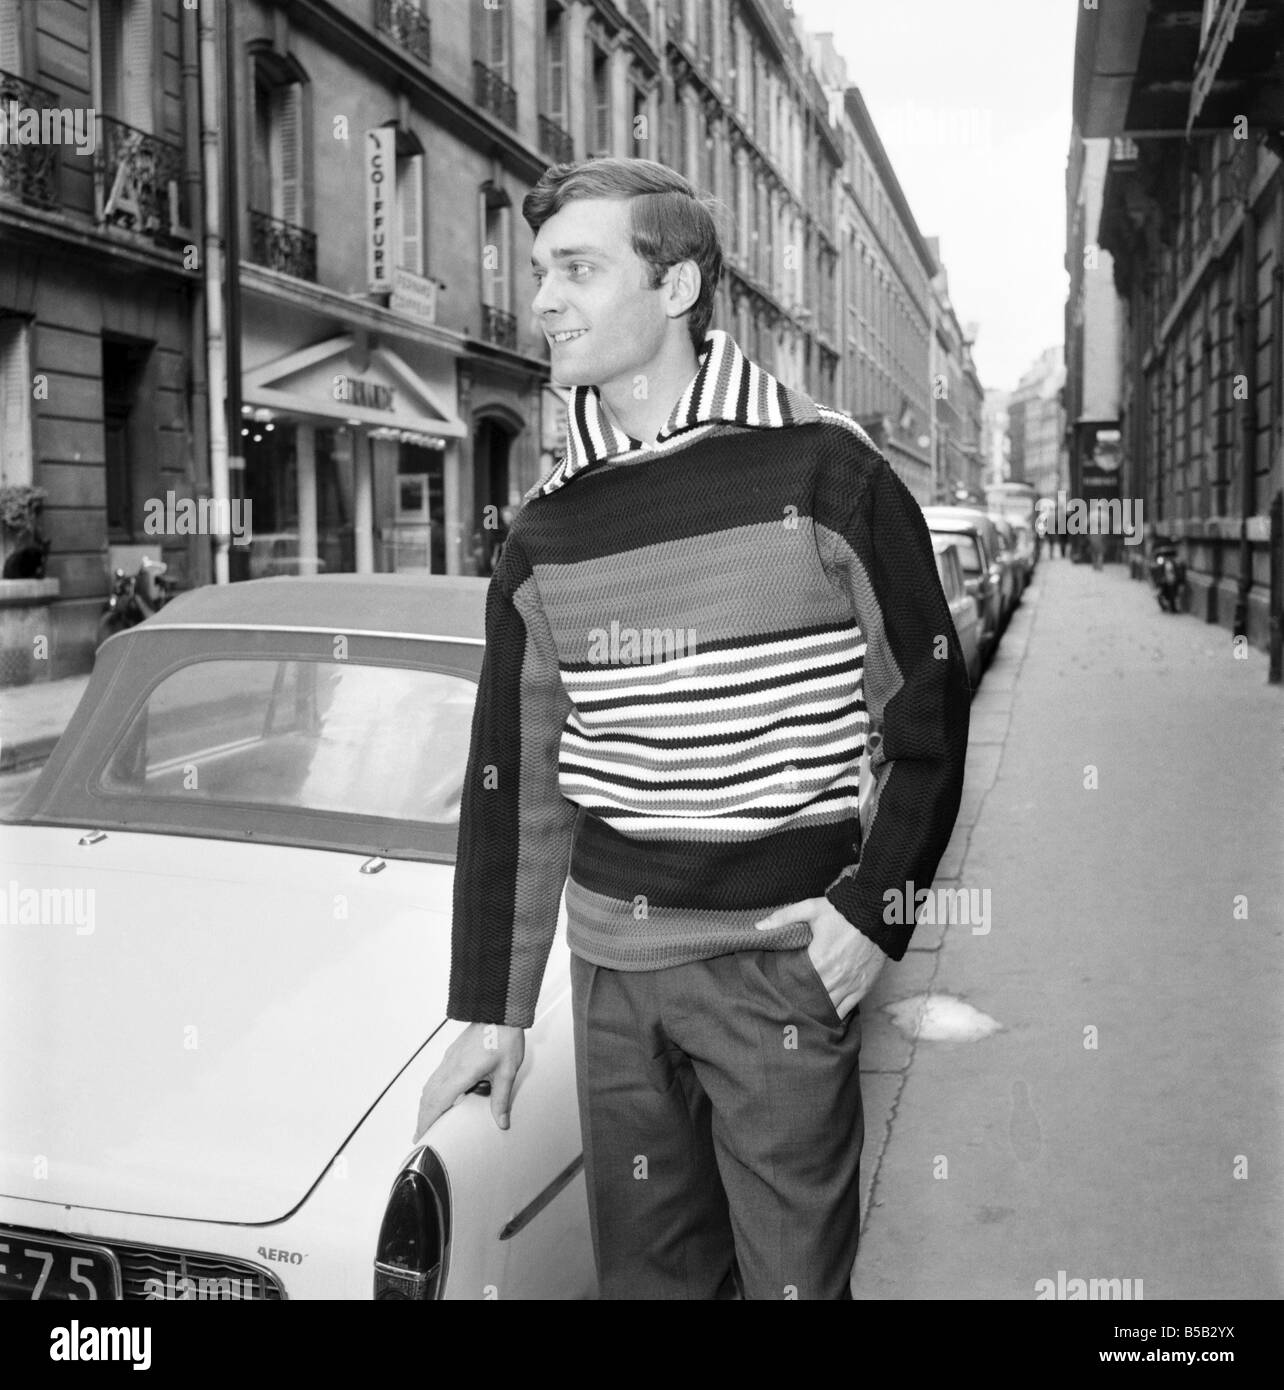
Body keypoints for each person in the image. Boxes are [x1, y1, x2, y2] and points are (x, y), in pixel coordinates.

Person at [414, 157, 971, 1300]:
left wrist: (874, 912)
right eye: (541, 272)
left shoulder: (827, 472)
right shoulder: (544, 529)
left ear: (676, 288)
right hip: (615, 979)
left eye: (579, 268)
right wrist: (491, 1007)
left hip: (776, 969)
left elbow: (926, 705)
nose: (546, 300)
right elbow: (515, 785)